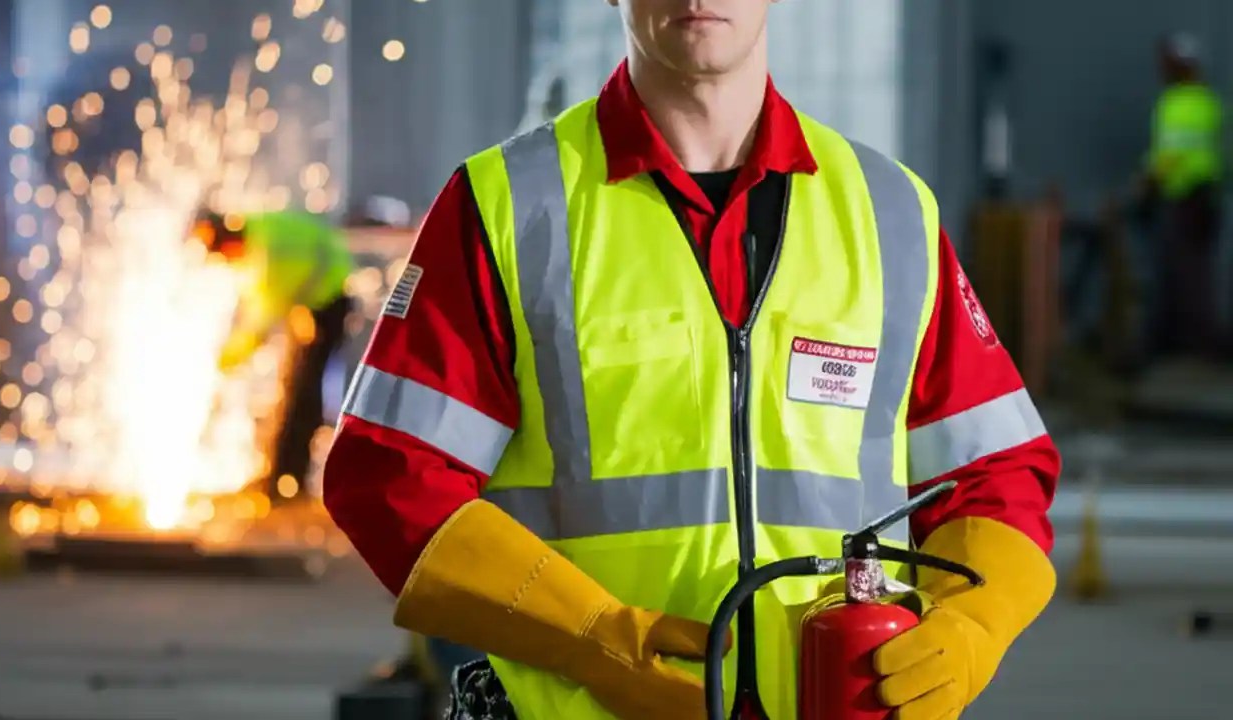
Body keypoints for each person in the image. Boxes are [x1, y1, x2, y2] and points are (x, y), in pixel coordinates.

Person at [324, 2, 1059, 718]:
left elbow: (993, 474)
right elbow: (387, 478)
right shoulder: (509, 206)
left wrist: (975, 624)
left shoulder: (890, 211)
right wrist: (592, 640)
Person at [194, 210, 355, 498]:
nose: (227, 264)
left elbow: (259, 326)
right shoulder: (259, 228)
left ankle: (286, 478)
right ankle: (281, 474)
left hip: (328, 301)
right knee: (293, 387)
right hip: (314, 297)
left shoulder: (265, 264)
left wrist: (224, 363)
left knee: (302, 393)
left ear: (230, 243)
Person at [1145, 33, 1223, 358]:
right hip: (1207, 198)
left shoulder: (1176, 104)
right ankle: (1194, 339)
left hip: (1184, 199)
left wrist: (1147, 182)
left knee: (1182, 271)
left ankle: (1190, 342)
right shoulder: (1208, 102)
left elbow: (1171, 155)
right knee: (1197, 271)